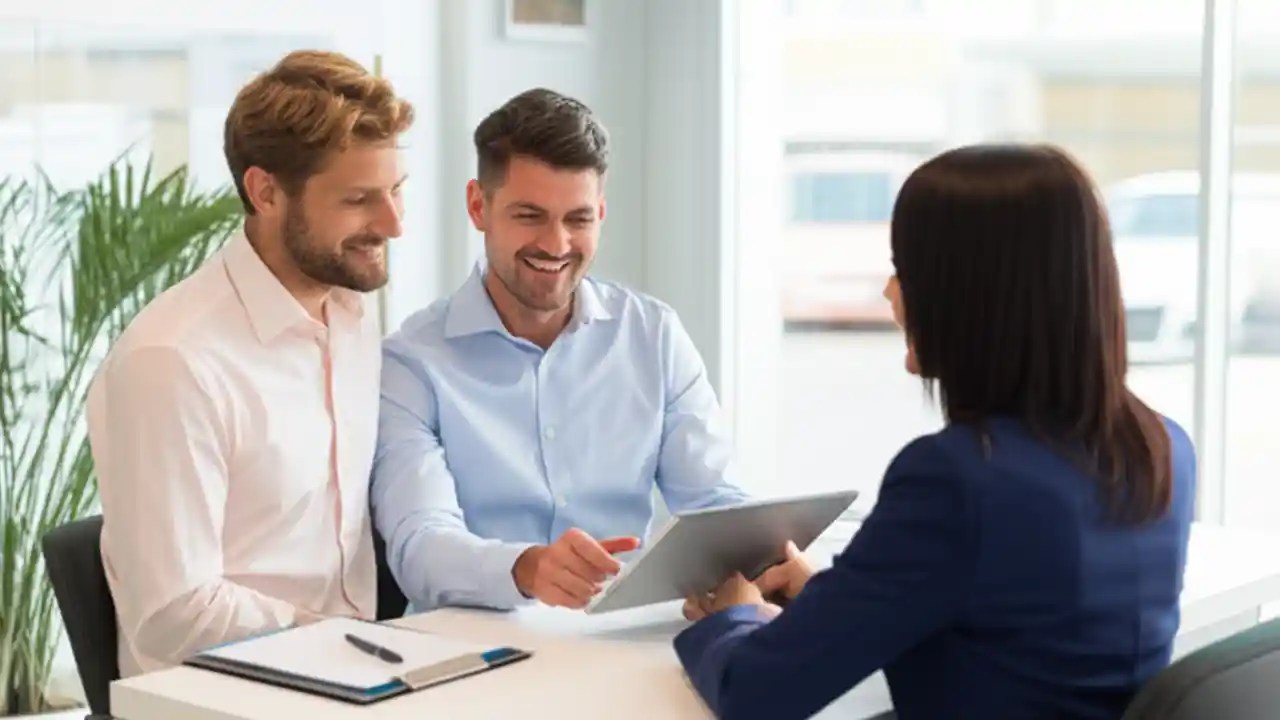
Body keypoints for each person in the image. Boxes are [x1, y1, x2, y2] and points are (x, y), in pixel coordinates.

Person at [673, 144, 1197, 720]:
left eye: (904, 270)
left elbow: (755, 693)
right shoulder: (1163, 445)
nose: (889, 292)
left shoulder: (959, 479)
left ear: (967, 295)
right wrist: (835, 600)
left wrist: (734, 617)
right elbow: (1014, 626)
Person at [87, 50, 414, 677]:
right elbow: (174, 612)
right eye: (358, 199)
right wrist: (341, 641)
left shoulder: (350, 317)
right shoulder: (173, 361)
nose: (393, 224)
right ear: (264, 191)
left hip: (353, 676)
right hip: (221, 695)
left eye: (397, 190)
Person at [372, 88, 748, 613]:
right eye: (530, 216)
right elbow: (419, 545)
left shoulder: (653, 336)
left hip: (621, 641)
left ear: (601, 213)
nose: (556, 245)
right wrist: (526, 568)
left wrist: (761, 562)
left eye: (578, 219)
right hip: (475, 656)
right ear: (479, 206)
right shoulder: (411, 361)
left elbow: (714, 503)